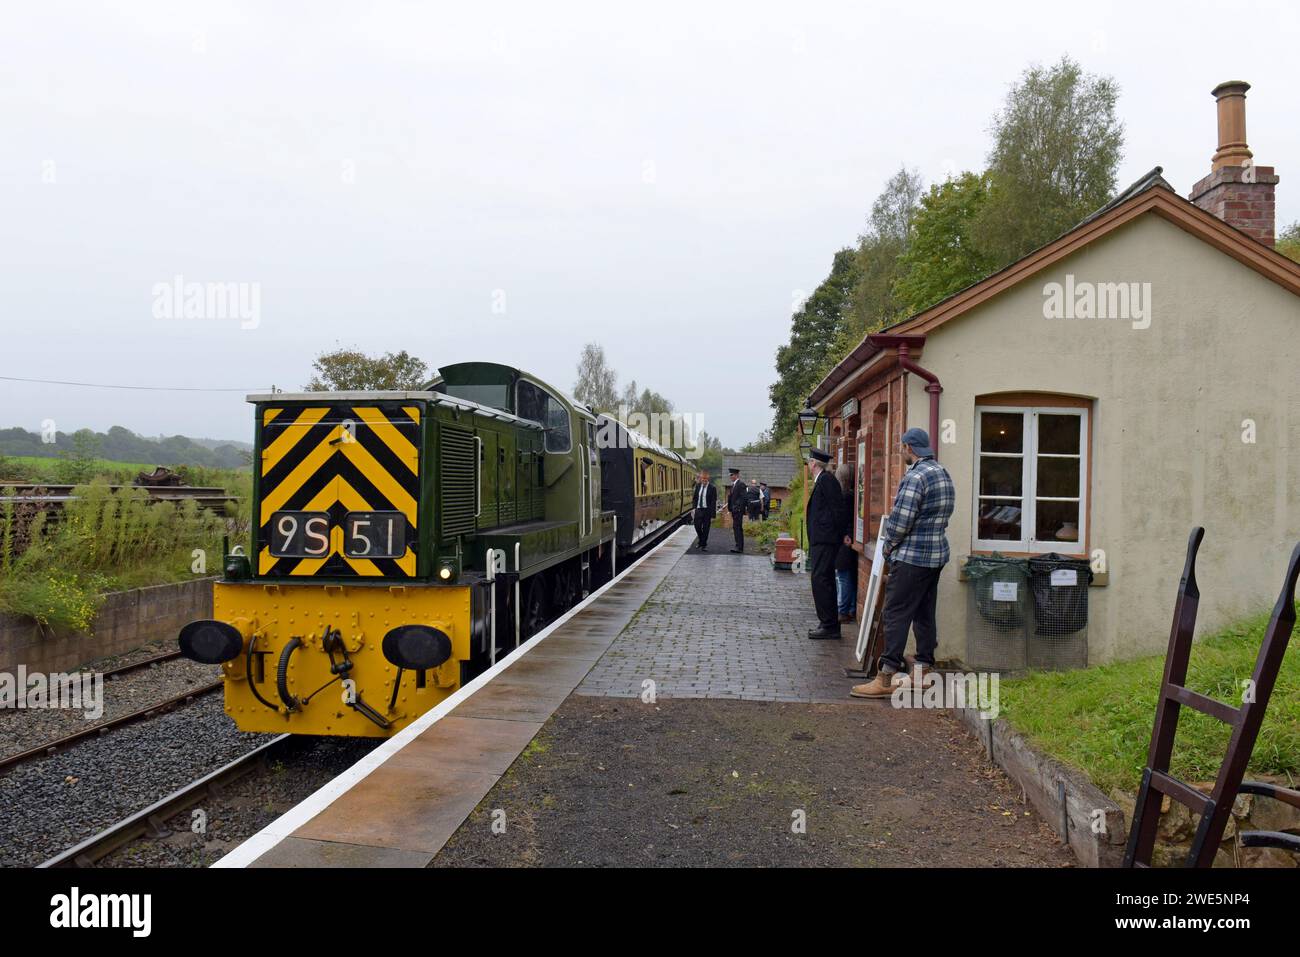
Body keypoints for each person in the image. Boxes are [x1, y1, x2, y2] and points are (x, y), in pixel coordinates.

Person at [851, 427, 955, 698]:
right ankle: (922, 672)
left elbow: (900, 522)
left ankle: (885, 676)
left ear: (910, 448)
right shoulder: (943, 473)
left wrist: (889, 547)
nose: (901, 452)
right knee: (923, 612)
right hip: (936, 555)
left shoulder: (916, 477)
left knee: (895, 613)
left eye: (902, 448)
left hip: (911, 558)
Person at [804, 447, 843, 639]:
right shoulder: (823, 480)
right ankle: (827, 622)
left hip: (826, 540)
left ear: (813, 464)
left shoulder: (827, 480)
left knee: (821, 580)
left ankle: (829, 624)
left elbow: (837, 509)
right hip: (821, 540)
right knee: (821, 579)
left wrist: (839, 534)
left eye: (809, 462)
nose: (808, 466)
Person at [834, 463, 857, 623]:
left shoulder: (844, 496)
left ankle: (843, 610)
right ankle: (850, 609)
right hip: (848, 539)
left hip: (844, 541)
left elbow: (844, 519)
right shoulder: (851, 495)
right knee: (847, 576)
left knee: (843, 576)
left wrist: (845, 534)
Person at [689, 469, 718, 550]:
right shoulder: (698, 486)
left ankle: (703, 545)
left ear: (707, 479)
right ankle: (701, 541)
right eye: (702, 479)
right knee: (697, 526)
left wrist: (713, 515)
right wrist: (694, 508)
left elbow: (713, 502)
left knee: (706, 528)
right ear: (701, 479)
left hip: (707, 511)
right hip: (698, 510)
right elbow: (695, 498)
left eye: (705, 480)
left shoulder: (712, 488)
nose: (704, 481)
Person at [726, 467, 747, 553]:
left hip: (738, 511)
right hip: (734, 511)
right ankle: (737, 545)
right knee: (736, 528)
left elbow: (744, 497)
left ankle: (739, 547)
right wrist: (730, 508)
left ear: (737, 475)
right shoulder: (733, 485)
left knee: (738, 528)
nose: (731, 476)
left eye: (732, 475)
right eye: (730, 475)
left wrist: (738, 508)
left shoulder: (740, 484)